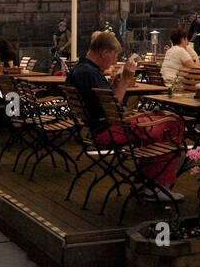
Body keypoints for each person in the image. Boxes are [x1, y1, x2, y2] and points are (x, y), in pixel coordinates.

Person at [67, 31, 185, 199]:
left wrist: (116, 85)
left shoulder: (79, 70)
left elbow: (105, 103)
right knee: (173, 123)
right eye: (114, 56)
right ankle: (155, 185)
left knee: (156, 124)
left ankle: (143, 181)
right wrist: (125, 80)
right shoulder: (91, 74)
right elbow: (113, 110)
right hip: (108, 131)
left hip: (95, 128)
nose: (115, 61)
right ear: (104, 53)